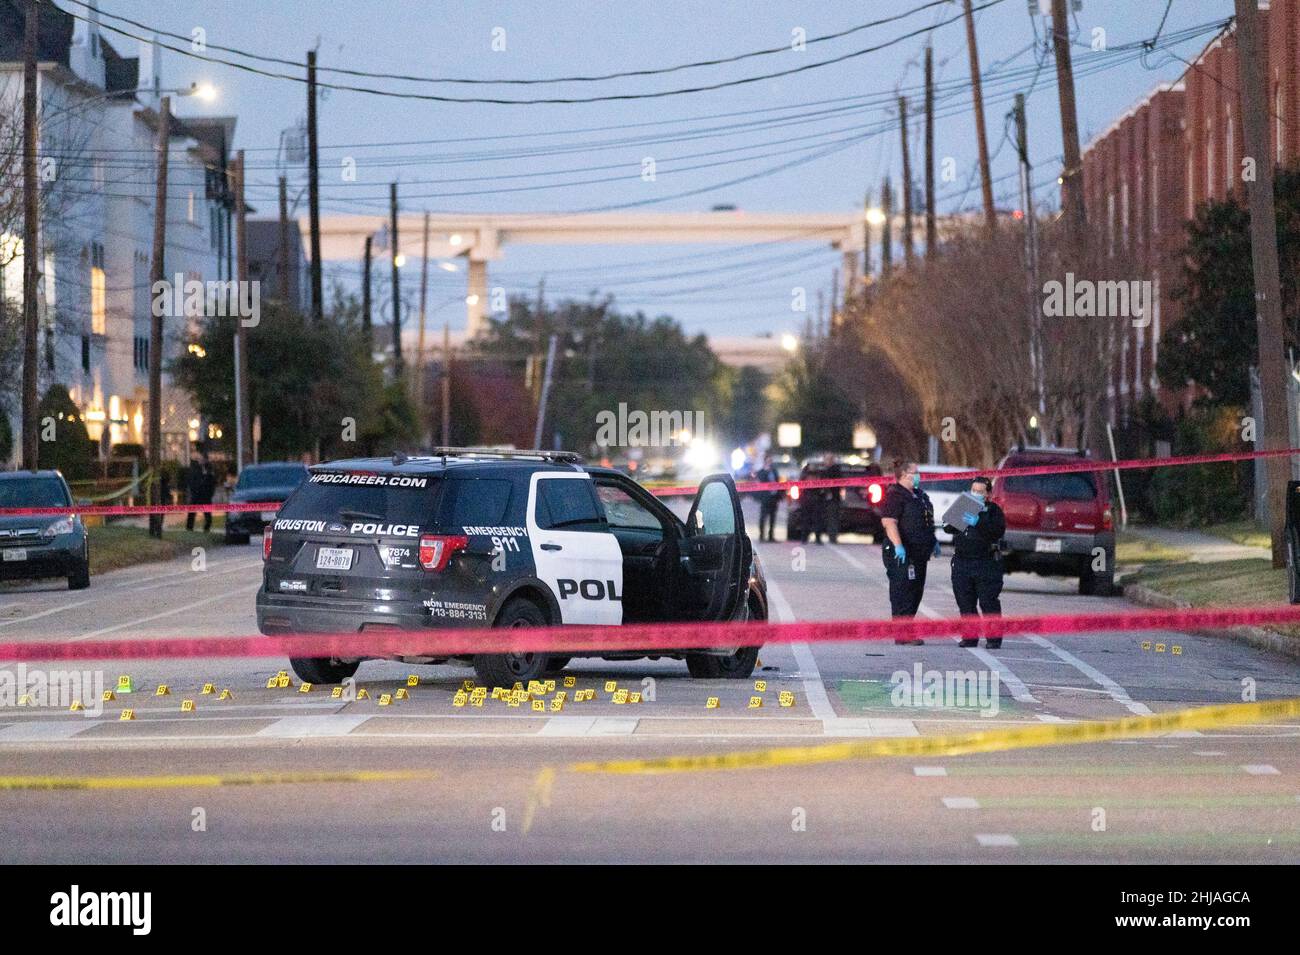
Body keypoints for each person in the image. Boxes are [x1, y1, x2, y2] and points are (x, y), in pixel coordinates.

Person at [942, 475, 1007, 649]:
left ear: (988, 494)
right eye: (974, 490)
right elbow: (947, 526)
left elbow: (997, 531)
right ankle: (970, 637)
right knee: (965, 602)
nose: (976, 494)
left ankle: (994, 638)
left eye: (980, 491)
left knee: (988, 601)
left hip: (985, 563)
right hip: (963, 562)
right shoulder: (965, 506)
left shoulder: (994, 511)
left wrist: (979, 521)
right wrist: (959, 516)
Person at [879, 459, 938, 644]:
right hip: (902, 552)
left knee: (915, 591)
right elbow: (889, 522)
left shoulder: (919, 495)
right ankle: (902, 633)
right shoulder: (895, 495)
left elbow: (925, 521)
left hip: (920, 552)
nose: (919, 475)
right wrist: (898, 545)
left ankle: (906, 629)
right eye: (916, 472)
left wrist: (933, 541)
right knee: (902, 591)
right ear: (904, 475)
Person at [185, 451, 214, 533]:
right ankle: (189, 528)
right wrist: (193, 490)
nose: (202, 461)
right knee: (192, 512)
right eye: (201, 459)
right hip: (196, 494)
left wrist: (210, 493)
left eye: (204, 459)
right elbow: (191, 480)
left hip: (206, 495)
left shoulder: (209, 469)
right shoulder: (195, 468)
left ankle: (207, 528)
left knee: (207, 513)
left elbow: (212, 482)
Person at [754, 452, 780, 543]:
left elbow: (778, 482)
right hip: (765, 498)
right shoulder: (761, 472)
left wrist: (778, 496)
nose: (770, 462)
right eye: (768, 461)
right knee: (763, 517)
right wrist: (766, 471)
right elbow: (761, 481)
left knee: (773, 518)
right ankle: (761, 536)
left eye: (771, 461)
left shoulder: (774, 471)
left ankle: (771, 536)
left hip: (773, 498)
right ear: (765, 461)